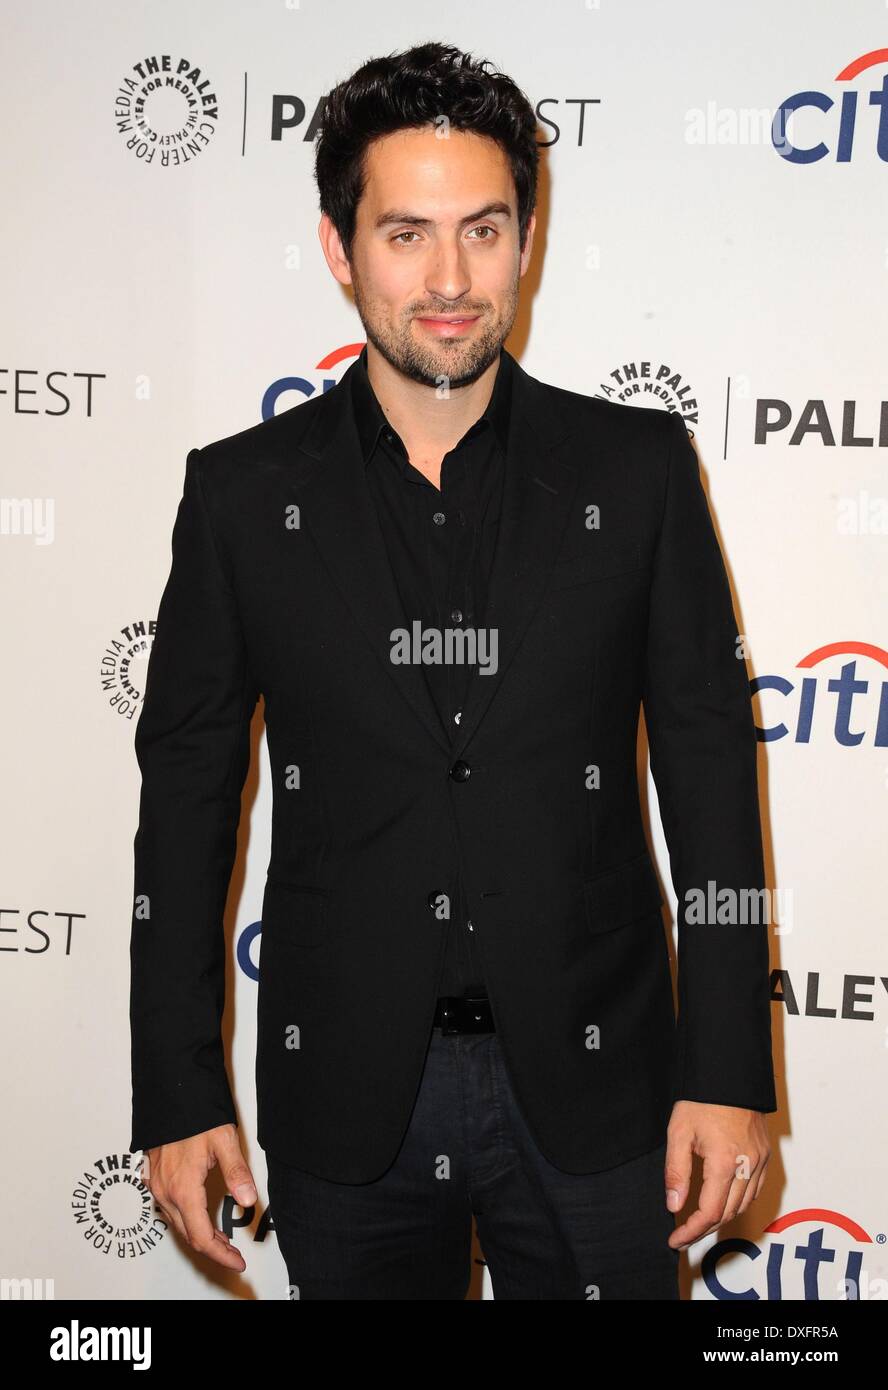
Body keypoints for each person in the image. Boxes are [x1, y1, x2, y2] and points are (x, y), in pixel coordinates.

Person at [129, 40, 776, 1300]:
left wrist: (732, 1068)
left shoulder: (635, 474)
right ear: (339, 247)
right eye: (405, 233)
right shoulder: (243, 497)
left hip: (606, 1094)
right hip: (350, 1102)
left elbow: (708, 779)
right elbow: (188, 804)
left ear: (527, 241)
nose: (448, 279)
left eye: (483, 230)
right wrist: (176, 1089)